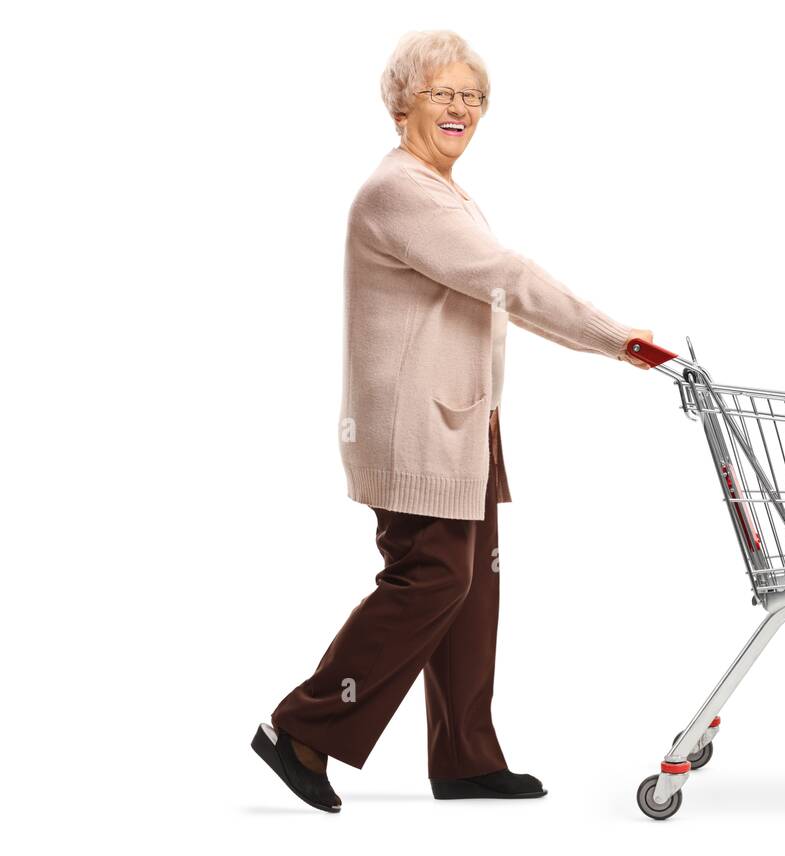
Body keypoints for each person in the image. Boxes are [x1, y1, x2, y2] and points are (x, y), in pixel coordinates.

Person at [251, 29, 655, 812]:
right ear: (404, 100)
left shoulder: (440, 190)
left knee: (472, 591)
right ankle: (302, 727)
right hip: (415, 428)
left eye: (473, 97)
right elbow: (505, 276)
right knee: (432, 577)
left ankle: (465, 755)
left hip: (466, 422)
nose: (461, 108)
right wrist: (618, 339)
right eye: (445, 93)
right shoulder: (399, 191)